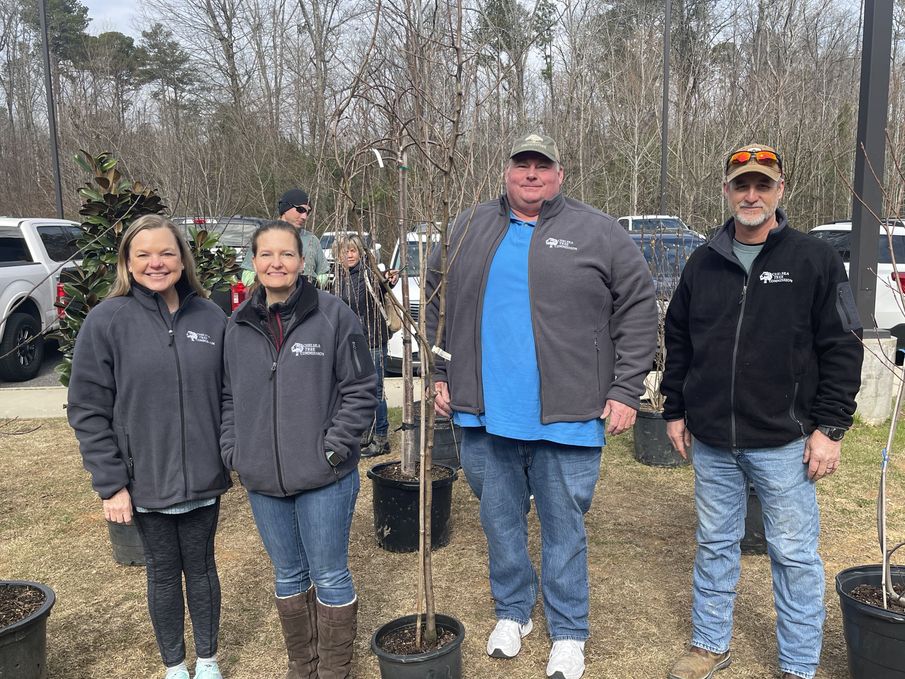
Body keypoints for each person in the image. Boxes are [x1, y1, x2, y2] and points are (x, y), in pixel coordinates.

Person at [425, 132, 657, 679]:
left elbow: (639, 306)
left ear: (559, 174)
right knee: (500, 520)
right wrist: (441, 371)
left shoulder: (597, 231)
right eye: (521, 164)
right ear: (506, 171)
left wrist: (626, 389)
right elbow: (437, 299)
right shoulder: (468, 226)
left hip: (569, 413)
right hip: (483, 411)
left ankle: (569, 630)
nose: (531, 174)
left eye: (542, 165)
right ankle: (512, 612)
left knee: (563, 527)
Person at [661, 144, 863, 679]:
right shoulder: (702, 262)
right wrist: (674, 409)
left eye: (763, 185)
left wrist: (831, 428)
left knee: (794, 557)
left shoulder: (814, 259)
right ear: (727, 191)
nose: (752, 195)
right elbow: (679, 339)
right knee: (715, 543)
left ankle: (798, 666)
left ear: (779, 192)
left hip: (785, 441)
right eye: (741, 185)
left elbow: (844, 346)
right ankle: (709, 643)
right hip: (713, 440)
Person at [67, 215, 231, 679]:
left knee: (201, 569)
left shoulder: (210, 316)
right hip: (145, 479)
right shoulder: (107, 321)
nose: (156, 263)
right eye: (144, 254)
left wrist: (230, 452)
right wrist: (111, 484)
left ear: (183, 259)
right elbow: (87, 407)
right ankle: (175, 666)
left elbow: (230, 393)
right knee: (162, 572)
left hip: (203, 473)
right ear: (127, 262)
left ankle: (207, 660)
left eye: (166, 253)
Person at [220, 220, 377, 679]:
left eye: (285, 254)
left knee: (329, 574)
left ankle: (333, 669)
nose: (276, 263)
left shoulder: (332, 316)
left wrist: (333, 449)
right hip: (263, 478)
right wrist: (236, 449)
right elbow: (228, 395)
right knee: (288, 574)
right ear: (253, 263)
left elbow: (361, 389)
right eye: (266, 255)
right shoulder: (238, 324)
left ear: (302, 261)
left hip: (324, 476)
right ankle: (301, 664)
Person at [335, 234, 399, 457]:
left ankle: (381, 438)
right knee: (357, 390)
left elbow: (385, 283)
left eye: (352, 250)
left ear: (361, 253)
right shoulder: (340, 277)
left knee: (376, 390)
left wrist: (389, 279)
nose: (348, 254)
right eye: (344, 251)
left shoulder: (369, 275)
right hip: (352, 342)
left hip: (372, 341)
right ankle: (366, 432)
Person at [240, 189, 329, 288]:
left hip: (305, 300)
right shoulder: (263, 236)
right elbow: (247, 278)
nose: (304, 216)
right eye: (300, 210)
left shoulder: (312, 240)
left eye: (307, 212)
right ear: (286, 208)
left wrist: (312, 282)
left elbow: (323, 274)